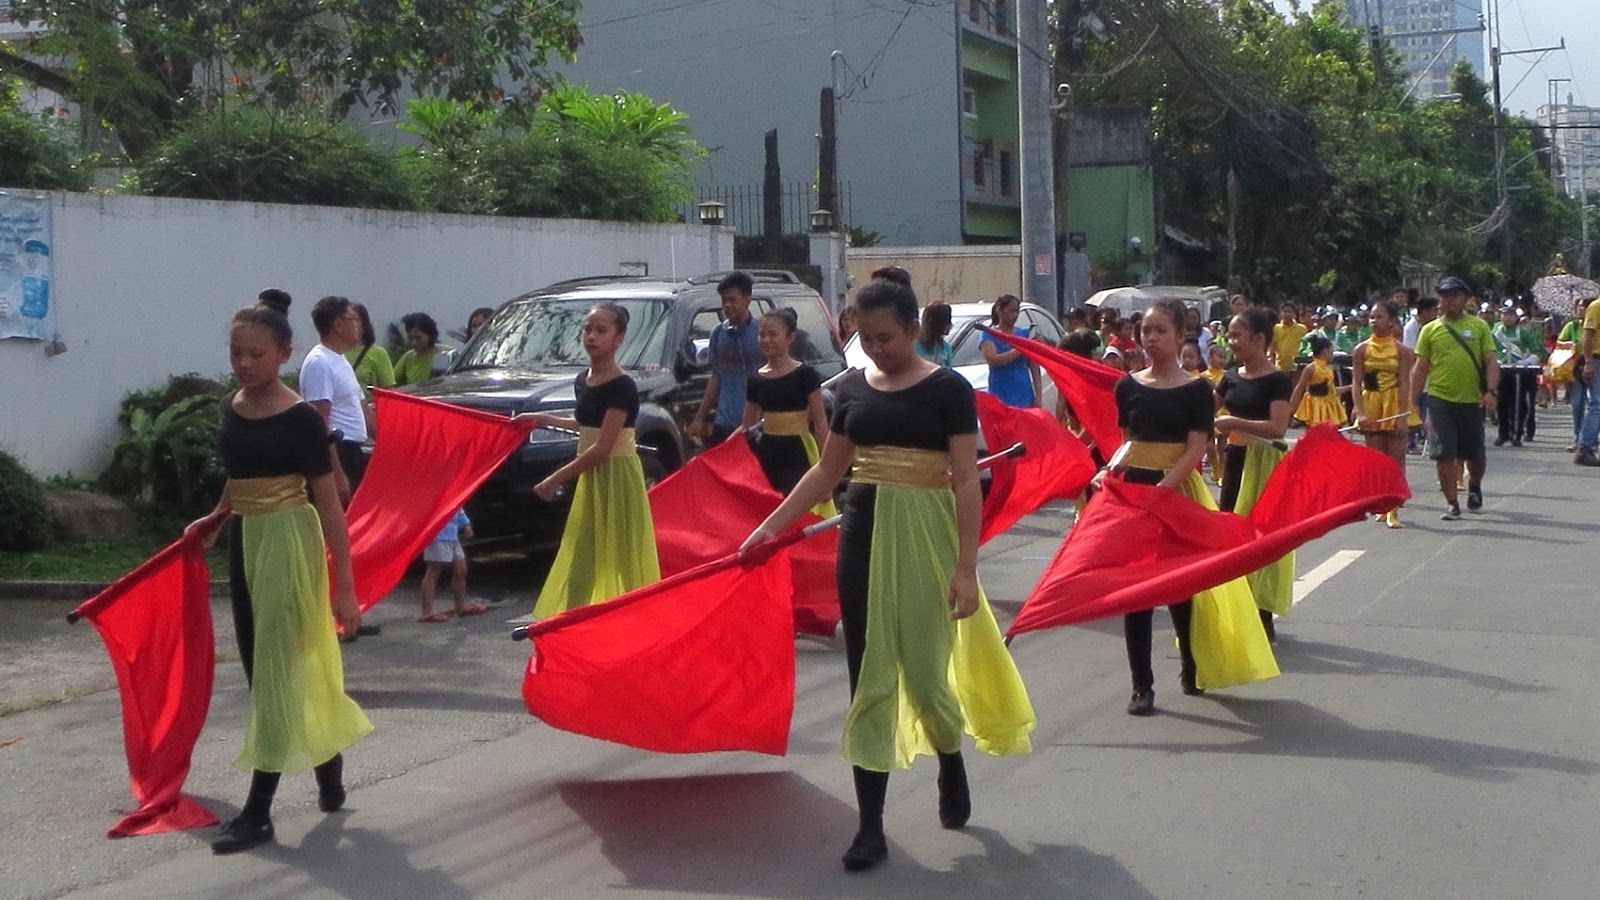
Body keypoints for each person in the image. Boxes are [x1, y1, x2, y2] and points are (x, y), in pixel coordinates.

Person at [739, 277, 1033, 874]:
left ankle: (950, 758)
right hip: (863, 533)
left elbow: (967, 481)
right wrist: (767, 530)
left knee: (925, 671)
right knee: (867, 669)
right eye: (866, 339)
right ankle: (869, 826)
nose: (876, 349)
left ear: (912, 329)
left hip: (927, 537)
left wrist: (966, 567)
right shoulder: (849, 388)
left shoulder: (949, 390)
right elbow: (826, 473)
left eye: (888, 338)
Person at [189, 306, 370, 855]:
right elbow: (240, 474)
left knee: (275, 668)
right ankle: (328, 757)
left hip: (290, 542)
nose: (244, 364)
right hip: (247, 541)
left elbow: (330, 505)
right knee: (258, 664)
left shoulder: (301, 421)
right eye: (235, 353)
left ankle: (259, 812)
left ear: (284, 355)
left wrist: (344, 587)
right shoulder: (232, 407)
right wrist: (217, 517)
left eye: (255, 354)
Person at [518, 304, 660, 618]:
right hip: (592, 473)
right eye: (588, 329)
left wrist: (556, 477)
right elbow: (587, 424)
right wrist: (542, 418)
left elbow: (602, 448)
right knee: (582, 553)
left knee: (624, 557)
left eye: (601, 330)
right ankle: (574, 623)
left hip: (616, 475)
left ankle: (639, 620)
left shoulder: (622, 385)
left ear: (618, 338)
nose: (592, 337)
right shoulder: (584, 379)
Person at [1215, 306, 1295, 640]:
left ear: (1259, 339)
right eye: (1229, 335)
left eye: (1237, 335)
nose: (1231, 341)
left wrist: (1232, 422)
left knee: (1262, 537)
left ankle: (1262, 611)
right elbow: (1204, 408)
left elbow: (1277, 427)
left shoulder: (1277, 380)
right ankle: (1233, 607)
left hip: (1266, 464)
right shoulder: (1230, 376)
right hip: (1236, 459)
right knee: (1229, 532)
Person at [1411, 276, 1498, 519]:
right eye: (1445, 296)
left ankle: (1475, 486)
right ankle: (1451, 502)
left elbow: (1490, 361)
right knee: (1443, 453)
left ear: (1465, 299)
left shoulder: (1479, 327)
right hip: (1439, 399)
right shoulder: (1430, 330)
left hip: (1471, 400)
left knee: (1475, 454)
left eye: (1455, 296)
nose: (1450, 301)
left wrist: (1491, 392)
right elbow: (1420, 368)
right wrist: (1412, 401)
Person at [740, 308, 835, 511]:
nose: (765, 340)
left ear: (790, 337)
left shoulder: (805, 375)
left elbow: (820, 423)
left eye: (772, 334)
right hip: (767, 454)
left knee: (799, 512)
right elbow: (746, 428)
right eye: (762, 334)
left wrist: (827, 477)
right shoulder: (756, 379)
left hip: (798, 453)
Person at [1350, 301, 1415, 528]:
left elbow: (1405, 382)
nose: (1374, 321)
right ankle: (1380, 502)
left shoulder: (1402, 351)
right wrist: (1359, 409)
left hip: (1394, 402)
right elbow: (1356, 383)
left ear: (1392, 321)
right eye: (1371, 317)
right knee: (1375, 457)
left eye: (1379, 316)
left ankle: (1394, 507)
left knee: (1396, 457)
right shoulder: (1361, 349)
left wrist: (1401, 414)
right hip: (1371, 403)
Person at [300, 296, 370, 504]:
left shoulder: (339, 359)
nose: (359, 325)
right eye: (353, 319)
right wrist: (337, 474)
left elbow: (362, 408)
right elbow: (320, 423)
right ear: (338, 324)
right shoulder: (319, 363)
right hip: (339, 453)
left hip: (354, 451)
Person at [691, 271, 762, 445]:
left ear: (747, 299)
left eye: (733, 300)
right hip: (724, 421)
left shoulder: (762, 332)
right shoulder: (718, 333)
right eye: (724, 301)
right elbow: (716, 377)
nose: (728, 305)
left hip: (755, 423)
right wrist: (699, 418)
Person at [417, 508, 486, 623]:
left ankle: (460, 607)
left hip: (452, 536)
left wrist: (465, 523)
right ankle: (426, 612)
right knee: (434, 571)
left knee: (461, 570)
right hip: (437, 536)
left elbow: (457, 506)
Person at [1491, 303, 1545, 447]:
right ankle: (1503, 434)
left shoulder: (1523, 332)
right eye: (1504, 314)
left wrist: (1527, 361)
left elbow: (1538, 350)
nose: (1507, 318)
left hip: (1519, 373)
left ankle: (1517, 434)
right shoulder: (1495, 332)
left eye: (1510, 315)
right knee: (1501, 404)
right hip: (1501, 371)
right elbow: (1489, 349)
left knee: (1518, 404)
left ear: (1516, 316)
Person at [980, 294, 1040, 408]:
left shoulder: (1024, 333)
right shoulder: (989, 334)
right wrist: (1022, 348)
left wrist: (1038, 396)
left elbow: (1034, 367)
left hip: (1024, 393)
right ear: (999, 310)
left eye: (1017, 311)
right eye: (1011, 311)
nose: (1014, 315)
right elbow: (993, 360)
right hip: (1000, 391)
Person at [1289, 335, 1347, 427]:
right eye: (1331, 353)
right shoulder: (1311, 368)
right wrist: (1291, 409)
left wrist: (1351, 387)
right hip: (1315, 407)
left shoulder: (1329, 369)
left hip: (1329, 406)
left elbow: (1332, 391)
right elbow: (1300, 388)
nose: (1332, 355)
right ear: (1325, 352)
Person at [344, 303, 395, 395]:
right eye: (347, 321)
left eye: (356, 320)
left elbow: (388, 390)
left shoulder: (377, 353)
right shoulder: (337, 352)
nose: (352, 325)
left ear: (364, 324)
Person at [1573, 292, 1600, 466]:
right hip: (1597, 359)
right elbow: (1588, 336)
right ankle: (1584, 447)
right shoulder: (1596, 306)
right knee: (1597, 404)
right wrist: (1588, 362)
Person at [394, 313, 452, 386]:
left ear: (430, 335)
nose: (414, 342)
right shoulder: (408, 357)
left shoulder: (446, 353)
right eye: (410, 338)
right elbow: (391, 381)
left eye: (418, 338)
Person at [915, 301, 955, 367]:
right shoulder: (913, 346)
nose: (950, 325)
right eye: (947, 320)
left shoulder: (945, 348)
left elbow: (948, 371)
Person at [1271, 303, 1306, 371]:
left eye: (1290, 312)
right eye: (1285, 311)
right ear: (1280, 313)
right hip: (1280, 366)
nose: (1287, 314)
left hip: (1297, 366)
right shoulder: (1276, 328)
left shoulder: (1302, 329)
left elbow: (1305, 346)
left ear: (1294, 313)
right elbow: (1272, 346)